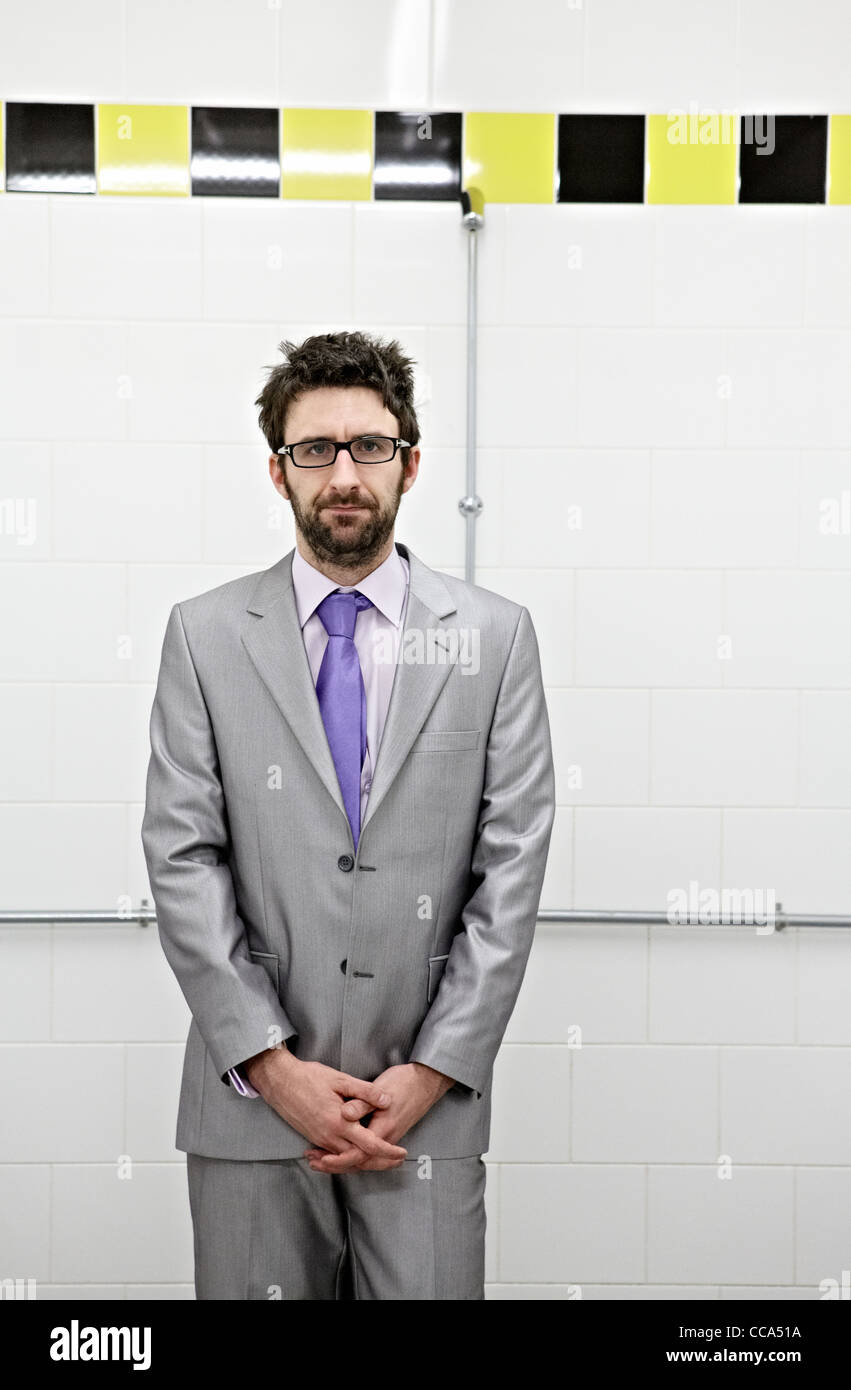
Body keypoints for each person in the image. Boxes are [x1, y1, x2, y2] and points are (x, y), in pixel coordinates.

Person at [141, 330, 555, 1300]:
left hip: (423, 1113)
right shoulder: (202, 637)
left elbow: (512, 873)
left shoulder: (493, 641)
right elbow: (180, 857)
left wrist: (430, 1071)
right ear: (277, 469)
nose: (342, 472)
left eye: (367, 445)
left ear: (409, 463)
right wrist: (272, 1067)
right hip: (250, 1109)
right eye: (314, 448)